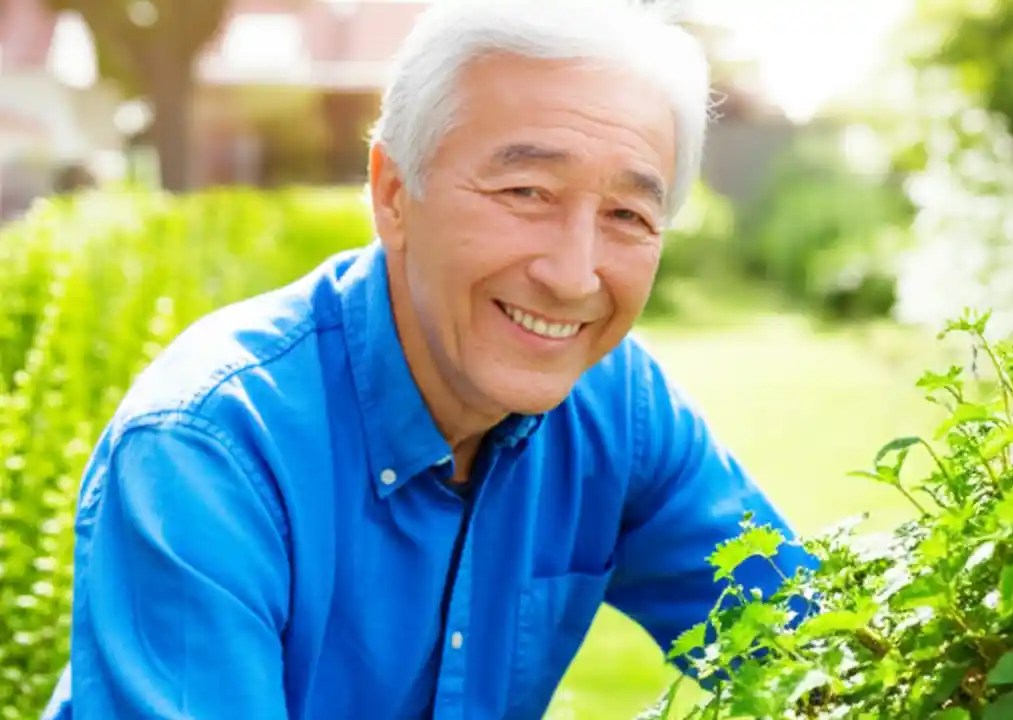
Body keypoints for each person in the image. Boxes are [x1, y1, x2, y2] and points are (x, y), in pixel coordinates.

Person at [42, 0, 811, 717]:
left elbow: (817, 654)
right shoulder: (206, 451)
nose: (574, 276)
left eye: (627, 214)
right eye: (526, 192)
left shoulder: (619, 410)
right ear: (394, 193)